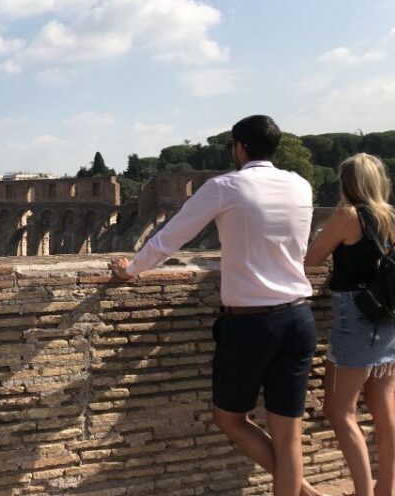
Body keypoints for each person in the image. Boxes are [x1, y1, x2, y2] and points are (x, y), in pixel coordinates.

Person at [110, 115, 323, 496]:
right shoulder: (301, 186)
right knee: (288, 435)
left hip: (251, 325)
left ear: (239, 148)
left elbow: (169, 238)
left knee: (229, 418)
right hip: (298, 318)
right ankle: (301, 491)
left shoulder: (224, 187)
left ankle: (303, 491)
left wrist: (131, 271)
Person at [304, 153, 395, 496]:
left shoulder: (347, 215)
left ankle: (364, 492)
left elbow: (311, 260)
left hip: (355, 321)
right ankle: (386, 488)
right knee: (385, 413)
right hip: (386, 321)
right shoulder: (390, 216)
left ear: (348, 183)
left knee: (339, 411)